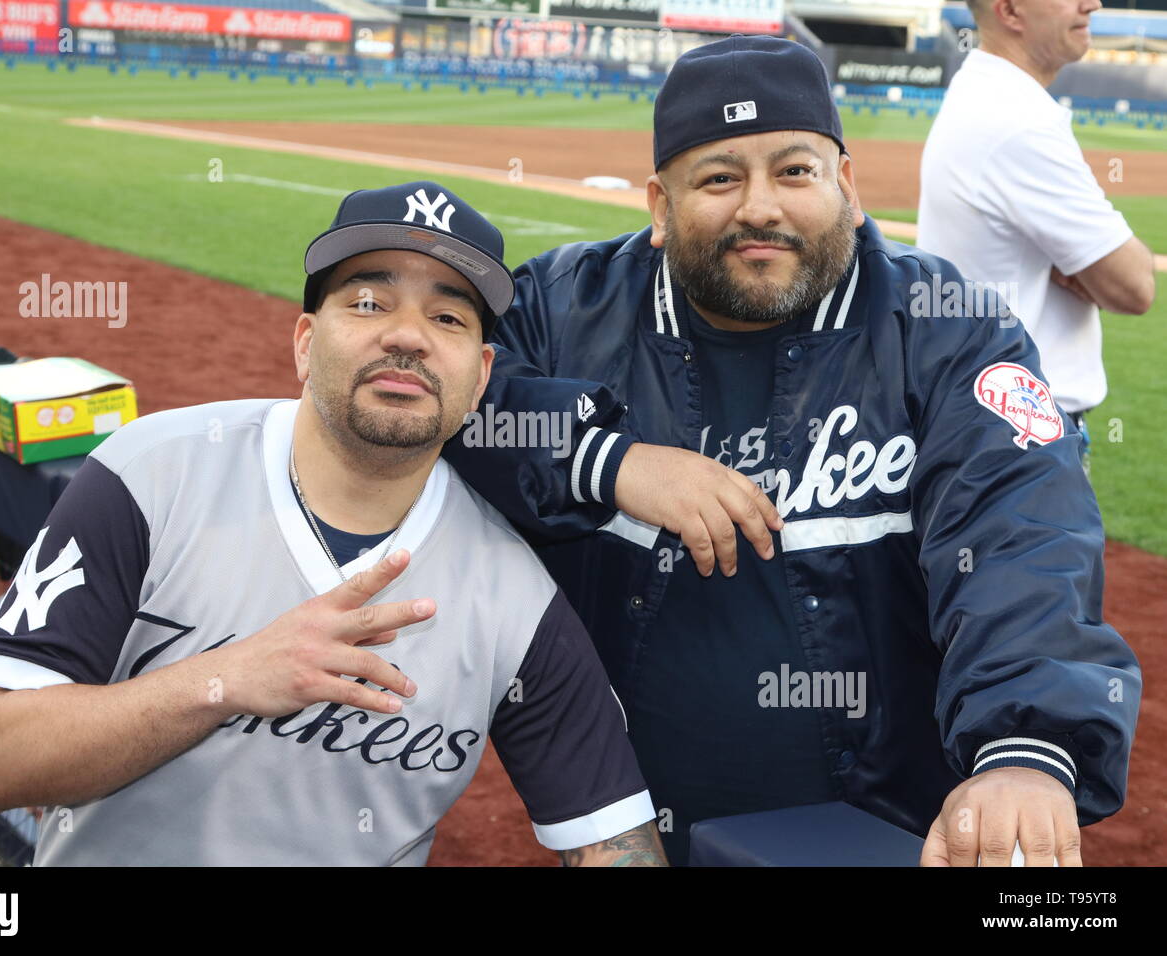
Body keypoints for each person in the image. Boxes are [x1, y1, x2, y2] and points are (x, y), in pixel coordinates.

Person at [440, 35, 1140, 866]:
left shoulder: (948, 327)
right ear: (661, 208)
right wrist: (614, 461)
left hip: (883, 826)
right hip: (627, 821)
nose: (760, 208)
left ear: (847, 186)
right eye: (720, 177)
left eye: (795, 171)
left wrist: (1026, 749)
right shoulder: (565, 307)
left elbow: (1021, 530)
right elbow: (451, 394)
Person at [0, 181, 666, 867]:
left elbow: (615, 838)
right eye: (366, 302)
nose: (408, 337)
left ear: (481, 377)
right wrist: (226, 679)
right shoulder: (149, 474)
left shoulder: (513, 594)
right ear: (304, 341)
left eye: (447, 317)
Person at [918, 0, 1157, 473]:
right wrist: (1089, 268)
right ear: (1010, 10)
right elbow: (1135, 286)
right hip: (1024, 439)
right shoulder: (1018, 120)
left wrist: (1080, 267)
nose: (1093, 4)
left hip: (987, 422)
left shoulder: (986, 92)